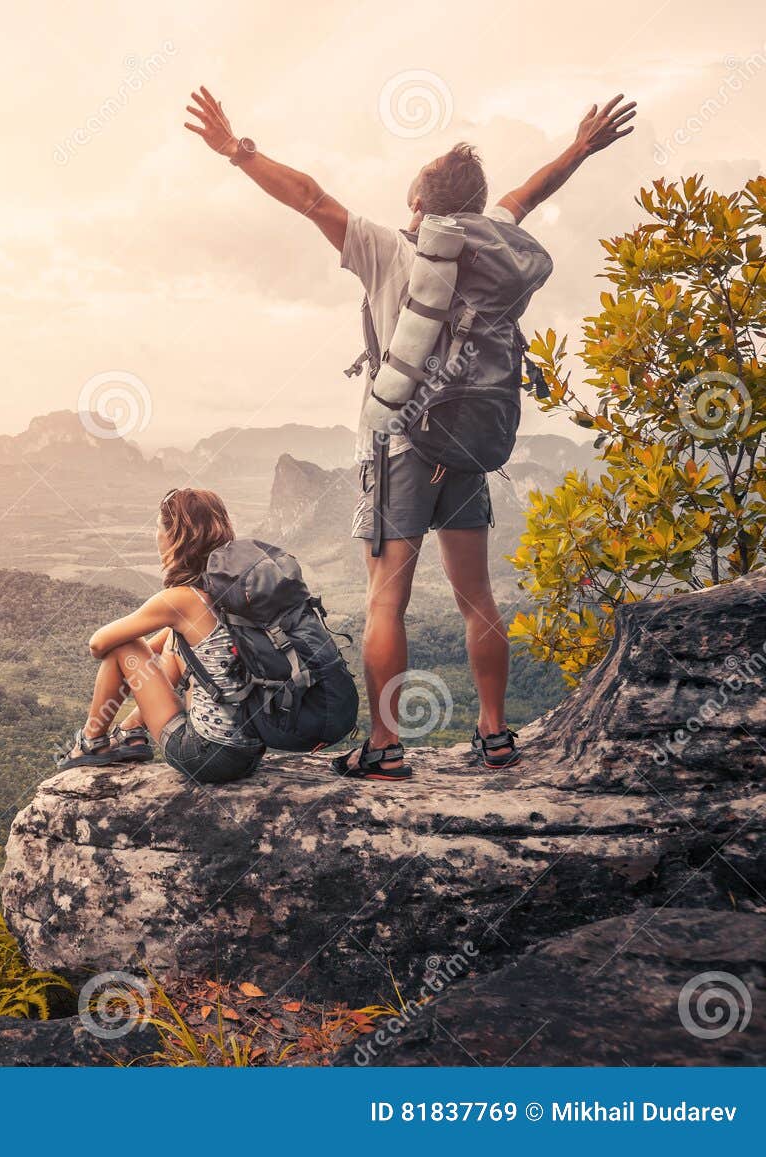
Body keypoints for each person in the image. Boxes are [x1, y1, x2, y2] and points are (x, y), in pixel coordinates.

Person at [184, 87, 636, 780]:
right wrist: (579, 147)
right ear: (476, 207)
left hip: (402, 447)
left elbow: (310, 197)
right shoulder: (493, 248)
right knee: (477, 596)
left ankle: (387, 745)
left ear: (422, 207)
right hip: (469, 447)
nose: (407, 211)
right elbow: (527, 193)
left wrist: (237, 152)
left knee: (385, 599)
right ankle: (494, 734)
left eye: (412, 200)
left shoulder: (392, 250)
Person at [57, 487, 265, 784]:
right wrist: (153, 650)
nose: (156, 535)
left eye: (158, 528)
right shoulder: (231, 590)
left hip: (205, 756)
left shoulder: (181, 600)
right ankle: (131, 733)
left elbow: (99, 644)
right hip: (249, 754)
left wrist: (131, 653)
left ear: (176, 537)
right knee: (169, 641)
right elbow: (159, 649)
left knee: (123, 645)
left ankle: (91, 741)